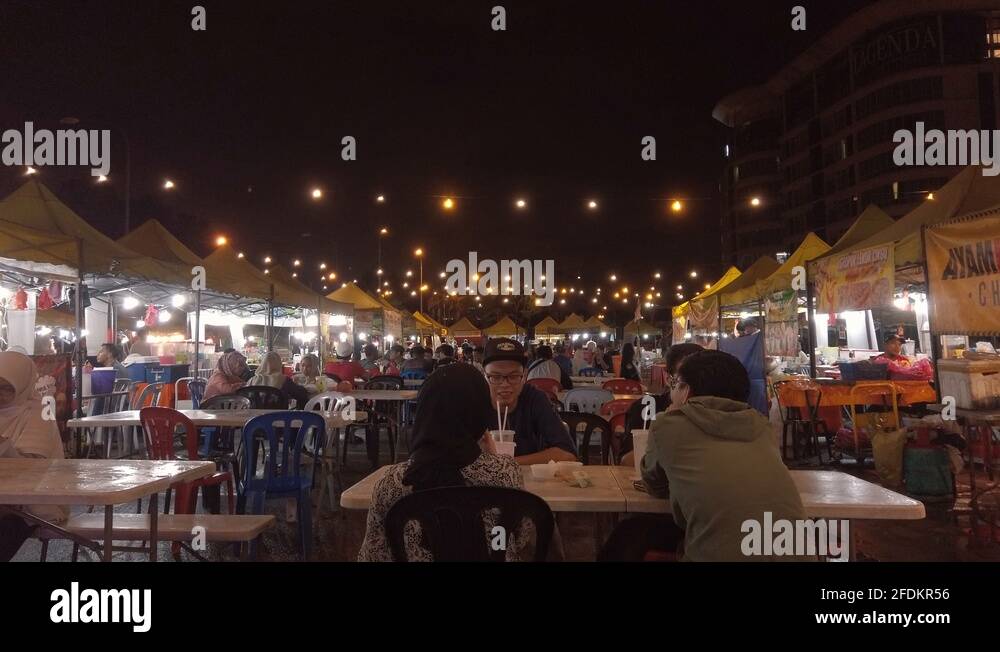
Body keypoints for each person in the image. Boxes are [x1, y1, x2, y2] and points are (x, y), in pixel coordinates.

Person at [640, 350, 810, 561]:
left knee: (632, 535)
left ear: (686, 392)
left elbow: (654, 484)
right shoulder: (762, 426)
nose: (671, 390)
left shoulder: (668, 425)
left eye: (675, 383)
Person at [358, 363, 524, 561]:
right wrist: (495, 458)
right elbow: (519, 537)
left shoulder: (391, 484)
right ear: (479, 412)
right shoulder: (506, 474)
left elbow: (373, 554)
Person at [0, 351, 68, 561]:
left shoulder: (40, 413)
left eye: (6, 388)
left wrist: (3, 444)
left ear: (22, 385)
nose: (0, 394)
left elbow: (31, 470)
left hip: (31, 503)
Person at [484, 338, 577, 465]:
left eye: (514, 376)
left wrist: (506, 465)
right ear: (484, 376)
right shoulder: (475, 400)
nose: (505, 384)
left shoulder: (535, 399)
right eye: (495, 377)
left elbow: (567, 454)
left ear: (525, 375)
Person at [620, 342, 703, 465]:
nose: (692, 389)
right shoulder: (648, 408)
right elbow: (627, 462)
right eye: (686, 381)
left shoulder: (712, 413)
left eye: (700, 378)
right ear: (669, 379)